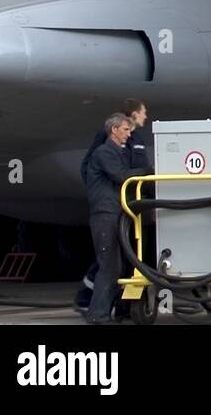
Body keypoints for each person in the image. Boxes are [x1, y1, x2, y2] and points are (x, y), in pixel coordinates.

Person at [74, 99, 153, 315]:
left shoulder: (120, 150)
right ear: (114, 130)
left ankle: (110, 310)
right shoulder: (105, 152)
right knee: (108, 265)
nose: (129, 134)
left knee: (117, 265)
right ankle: (96, 312)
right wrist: (147, 172)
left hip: (118, 211)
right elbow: (120, 175)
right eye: (125, 130)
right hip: (106, 213)